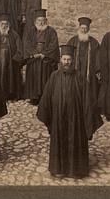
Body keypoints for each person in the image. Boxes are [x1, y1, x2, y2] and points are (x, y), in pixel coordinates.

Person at [37, 45, 104, 178]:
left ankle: (76, 170)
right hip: (58, 118)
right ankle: (58, 169)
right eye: (64, 59)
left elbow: (88, 101)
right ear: (60, 60)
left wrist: (88, 122)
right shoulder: (54, 76)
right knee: (59, 142)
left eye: (69, 59)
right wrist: (48, 116)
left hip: (76, 119)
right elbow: (46, 98)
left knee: (76, 141)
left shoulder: (80, 77)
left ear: (72, 61)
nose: (66, 62)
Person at [22, 9, 59, 104]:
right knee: (34, 77)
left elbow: (53, 44)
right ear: (35, 21)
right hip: (34, 58)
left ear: (46, 21)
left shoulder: (51, 31)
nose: (41, 22)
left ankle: (45, 97)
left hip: (45, 59)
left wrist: (44, 54)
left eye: (43, 20)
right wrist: (34, 53)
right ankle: (34, 97)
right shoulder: (31, 31)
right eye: (39, 20)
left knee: (45, 78)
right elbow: (27, 43)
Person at [0, 14, 24, 101]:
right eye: (2, 24)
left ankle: (9, 95)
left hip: (11, 61)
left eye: (6, 24)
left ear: (8, 25)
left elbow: (20, 48)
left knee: (10, 76)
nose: (4, 26)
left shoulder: (14, 34)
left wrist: (16, 58)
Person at [67, 17, 101, 106]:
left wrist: (98, 70)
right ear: (79, 28)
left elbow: (98, 57)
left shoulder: (94, 42)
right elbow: (67, 54)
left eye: (86, 28)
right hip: (75, 69)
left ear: (88, 29)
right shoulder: (73, 41)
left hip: (89, 71)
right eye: (82, 28)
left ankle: (88, 105)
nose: (84, 30)